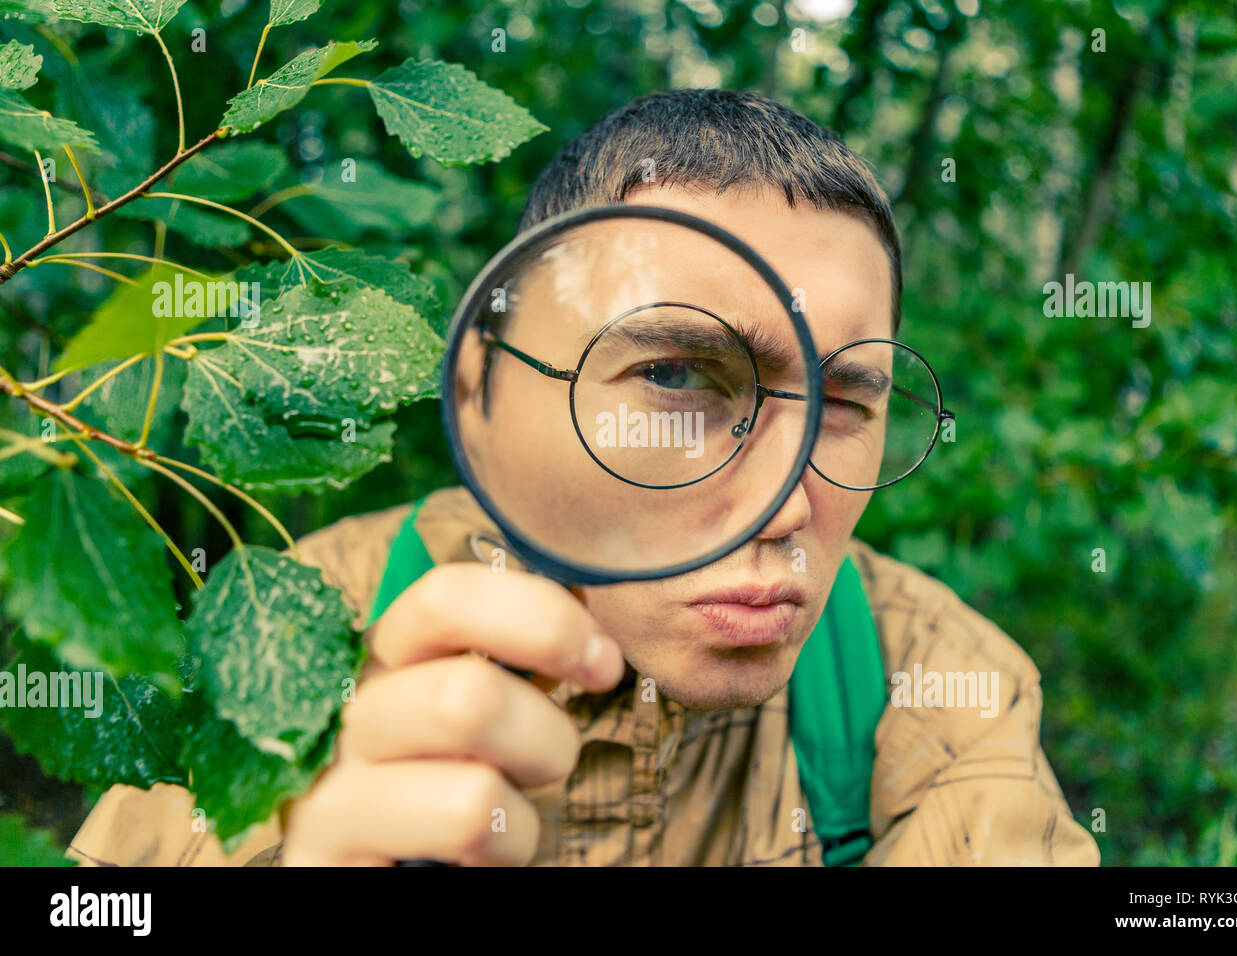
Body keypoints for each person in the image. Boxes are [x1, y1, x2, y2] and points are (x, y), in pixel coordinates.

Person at [66, 89, 1100, 867]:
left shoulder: (929, 682)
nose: (788, 504)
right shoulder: (291, 634)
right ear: (490, 397)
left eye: (846, 399)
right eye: (674, 376)